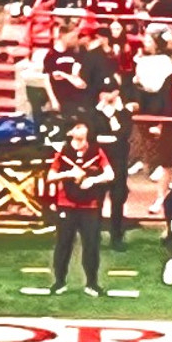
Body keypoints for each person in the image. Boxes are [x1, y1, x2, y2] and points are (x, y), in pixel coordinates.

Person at [46, 125, 114, 294]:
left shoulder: (96, 152)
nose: (80, 144)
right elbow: (50, 176)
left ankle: (92, 283)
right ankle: (59, 282)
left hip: (90, 206)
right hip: (66, 204)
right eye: (77, 139)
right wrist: (68, 174)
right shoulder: (63, 153)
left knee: (91, 245)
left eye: (83, 139)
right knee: (63, 244)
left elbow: (110, 174)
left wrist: (93, 180)